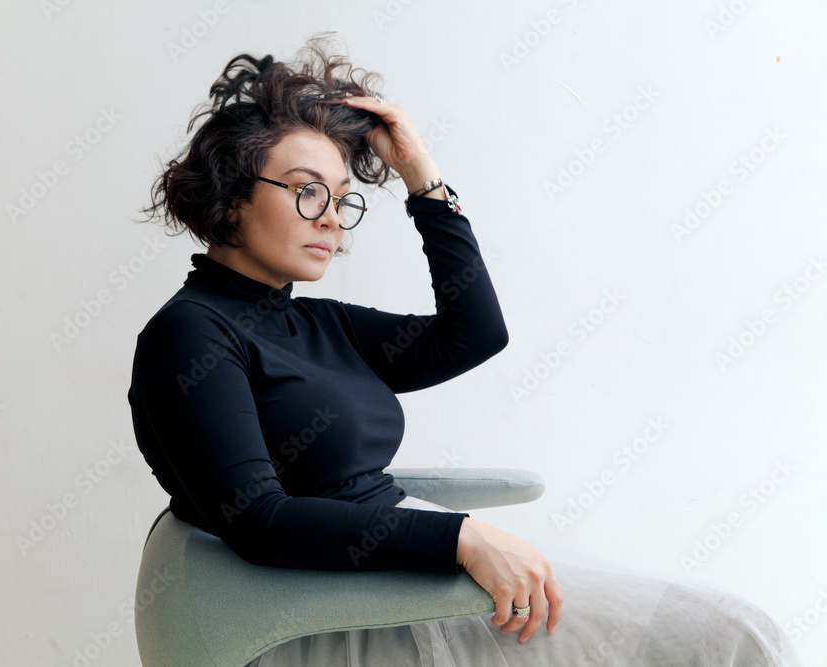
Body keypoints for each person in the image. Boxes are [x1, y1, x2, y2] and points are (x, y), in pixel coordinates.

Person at [128, 35, 804, 666]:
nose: (333, 217)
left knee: (724, 627)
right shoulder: (190, 334)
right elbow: (261, 520)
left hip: (399, 577)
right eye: (308, 192)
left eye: (341, 198)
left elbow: (473, 334)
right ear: (231, 195)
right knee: (733, 639)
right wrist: (463, 537)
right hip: (322, 616)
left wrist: (424, 181)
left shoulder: (317, 324)